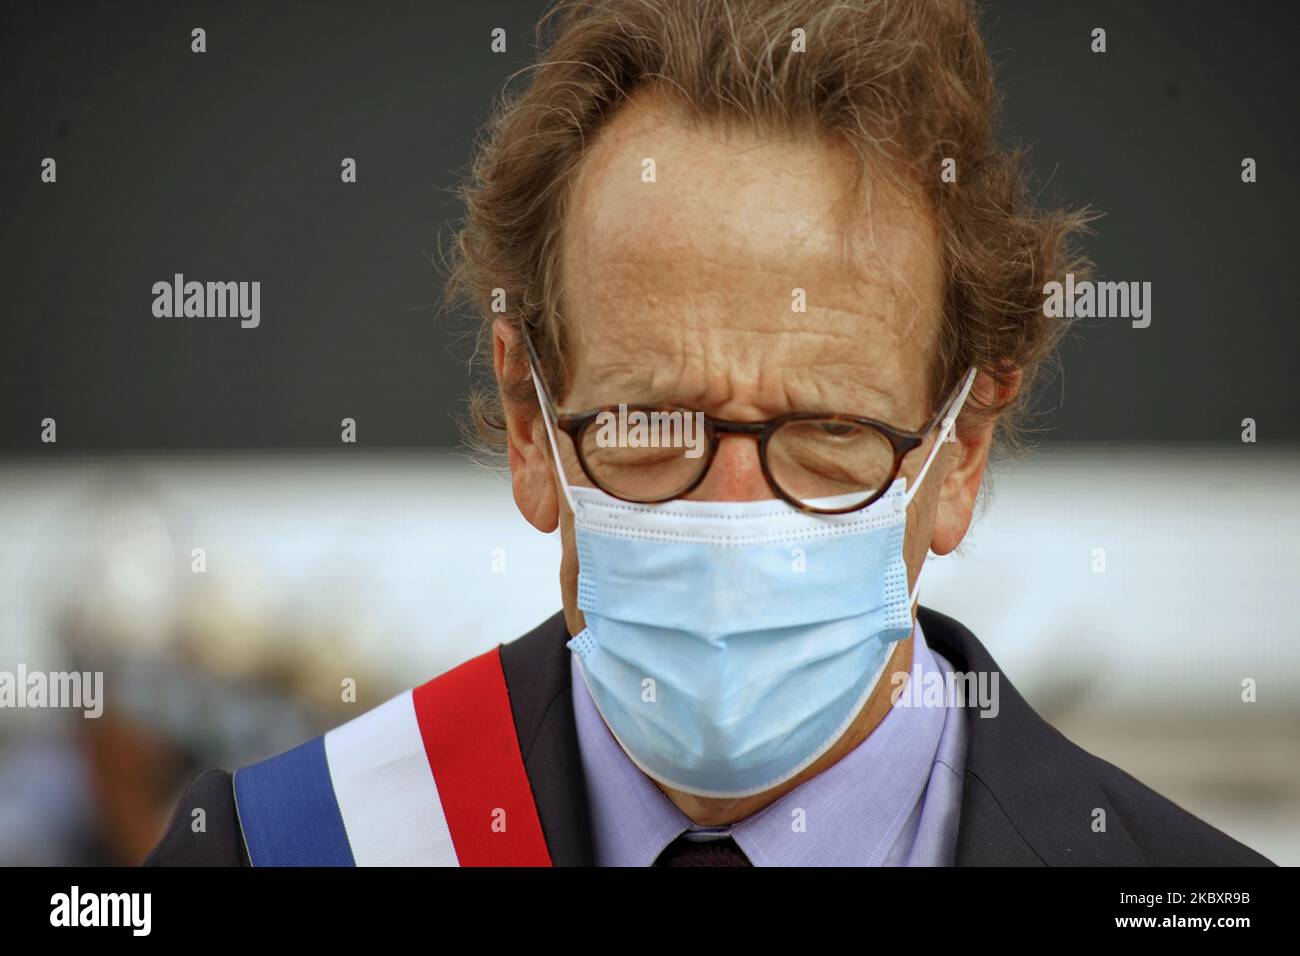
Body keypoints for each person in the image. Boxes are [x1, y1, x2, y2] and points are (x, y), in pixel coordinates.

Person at [145, 0, 1271, 867]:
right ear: (532, 426)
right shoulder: (286, 850)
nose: (733, 516)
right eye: (649, 422)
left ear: (958, 453)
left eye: (829, 429)